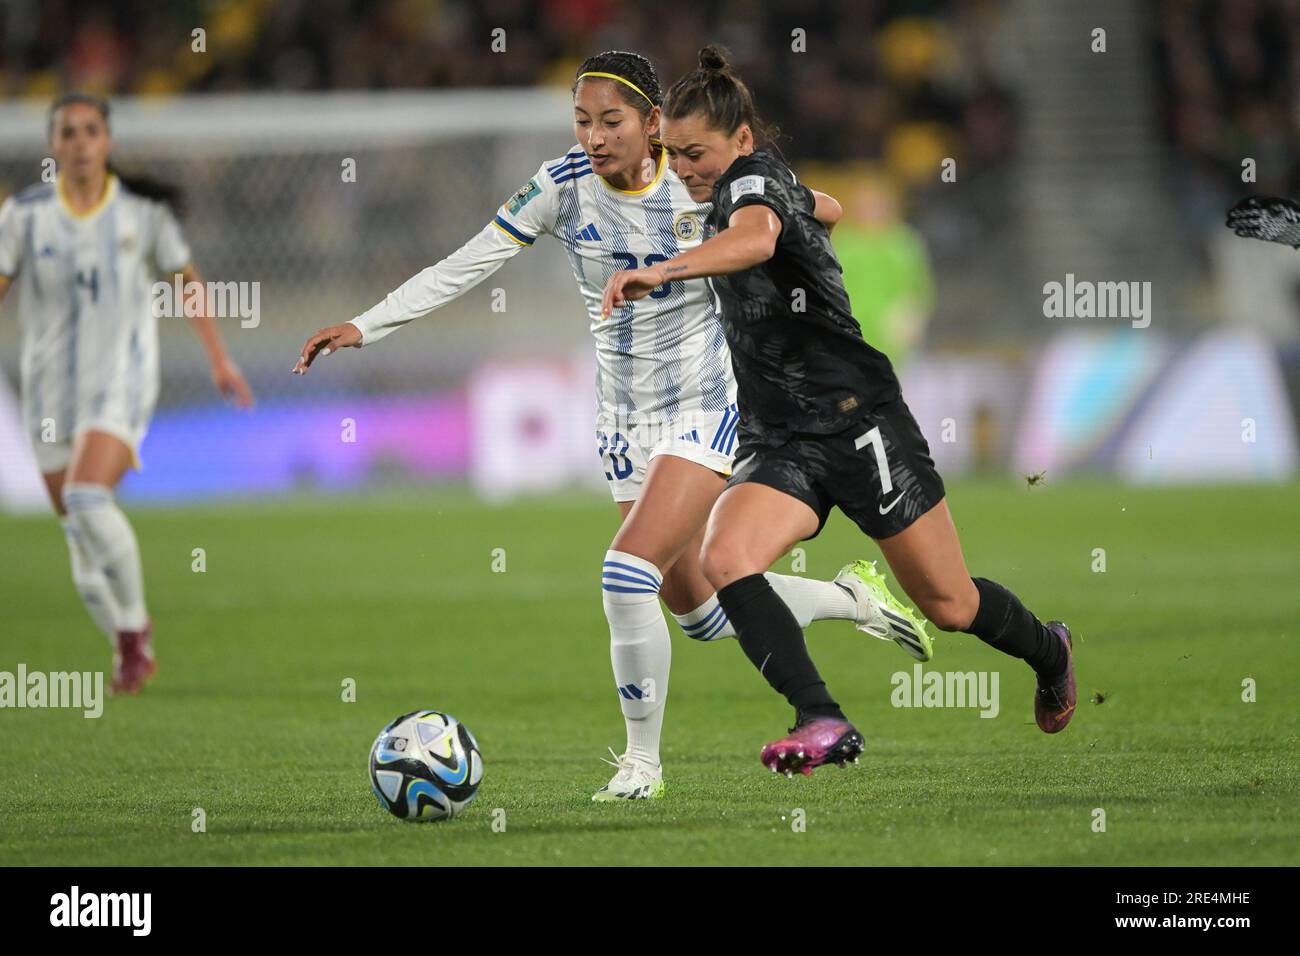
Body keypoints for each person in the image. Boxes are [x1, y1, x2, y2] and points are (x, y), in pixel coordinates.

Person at [293, 51, 929, 800]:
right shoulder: (561, 187)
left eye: (611, 121)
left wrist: (778, 241)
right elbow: (466, 263)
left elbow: (818, 208)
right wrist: (366, 325)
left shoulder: (701, 182)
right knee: (695, 612)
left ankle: (641, 766)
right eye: (582, 120)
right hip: (624, 420)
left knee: (625, 572)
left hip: (709, 404)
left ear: (653, 123)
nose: (593, 136)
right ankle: (849, 598)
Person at [602, 45, 1076, 777]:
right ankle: (819, 716)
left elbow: (759, 234)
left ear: (741, 142)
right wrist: (807, 208)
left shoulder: (750, 183)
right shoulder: (756, 186)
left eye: (697, 154)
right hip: (782, 434)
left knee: (949, 604)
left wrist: (664, 269)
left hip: (860, 424)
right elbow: (826, 207)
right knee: (725, 559)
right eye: (675, 153)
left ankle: (1050, 650)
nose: (686, 168)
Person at [0, 93, 254, 694]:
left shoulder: (143, 213)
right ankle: (124, 640)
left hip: (122, 381)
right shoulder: (23, 215)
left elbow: (186, 281)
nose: (81, 142)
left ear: (107, 141)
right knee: (77, 539)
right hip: (46, 393)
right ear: (53, 145)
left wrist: (219, 359)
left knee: (88, 499)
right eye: (69, 132)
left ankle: (135, 626)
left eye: (91, 131)